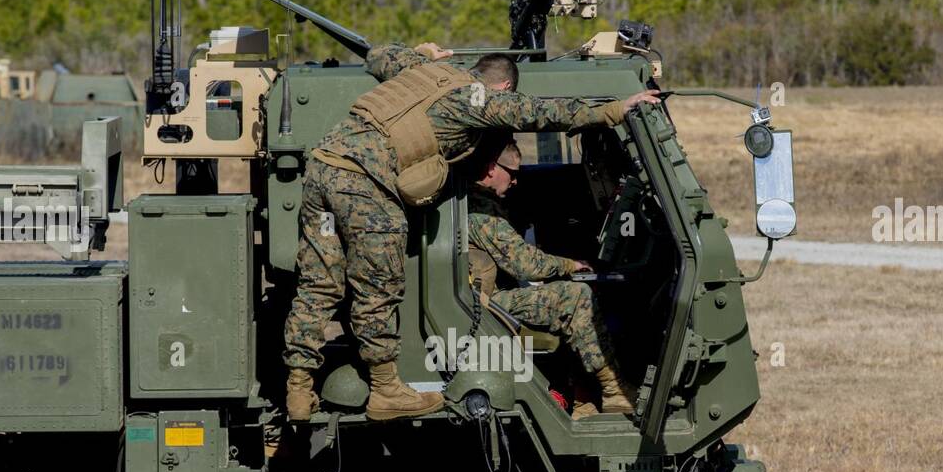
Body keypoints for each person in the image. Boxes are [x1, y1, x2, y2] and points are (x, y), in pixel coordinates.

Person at [282, 41, 660, 421]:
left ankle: (298, 389)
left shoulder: (424, 72)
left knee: (319, 283)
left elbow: (379, 54)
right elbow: (539, 112)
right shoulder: (474, 99)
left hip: (323, 166)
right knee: (379, 286)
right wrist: (613, 110)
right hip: (365, 180)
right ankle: (386, 391)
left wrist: (425, 53)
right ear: (503, 88)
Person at [466, 138, 636, 416]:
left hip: (485, 298)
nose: (516, 181)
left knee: (562, 294)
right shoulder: (481, 212)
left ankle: (581, 397)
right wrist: (570, 265)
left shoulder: (480, 202)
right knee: (575, 296)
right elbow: (526, 265)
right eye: (513, 173)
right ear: (491, 169)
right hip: (487, 304)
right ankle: (613, 390)